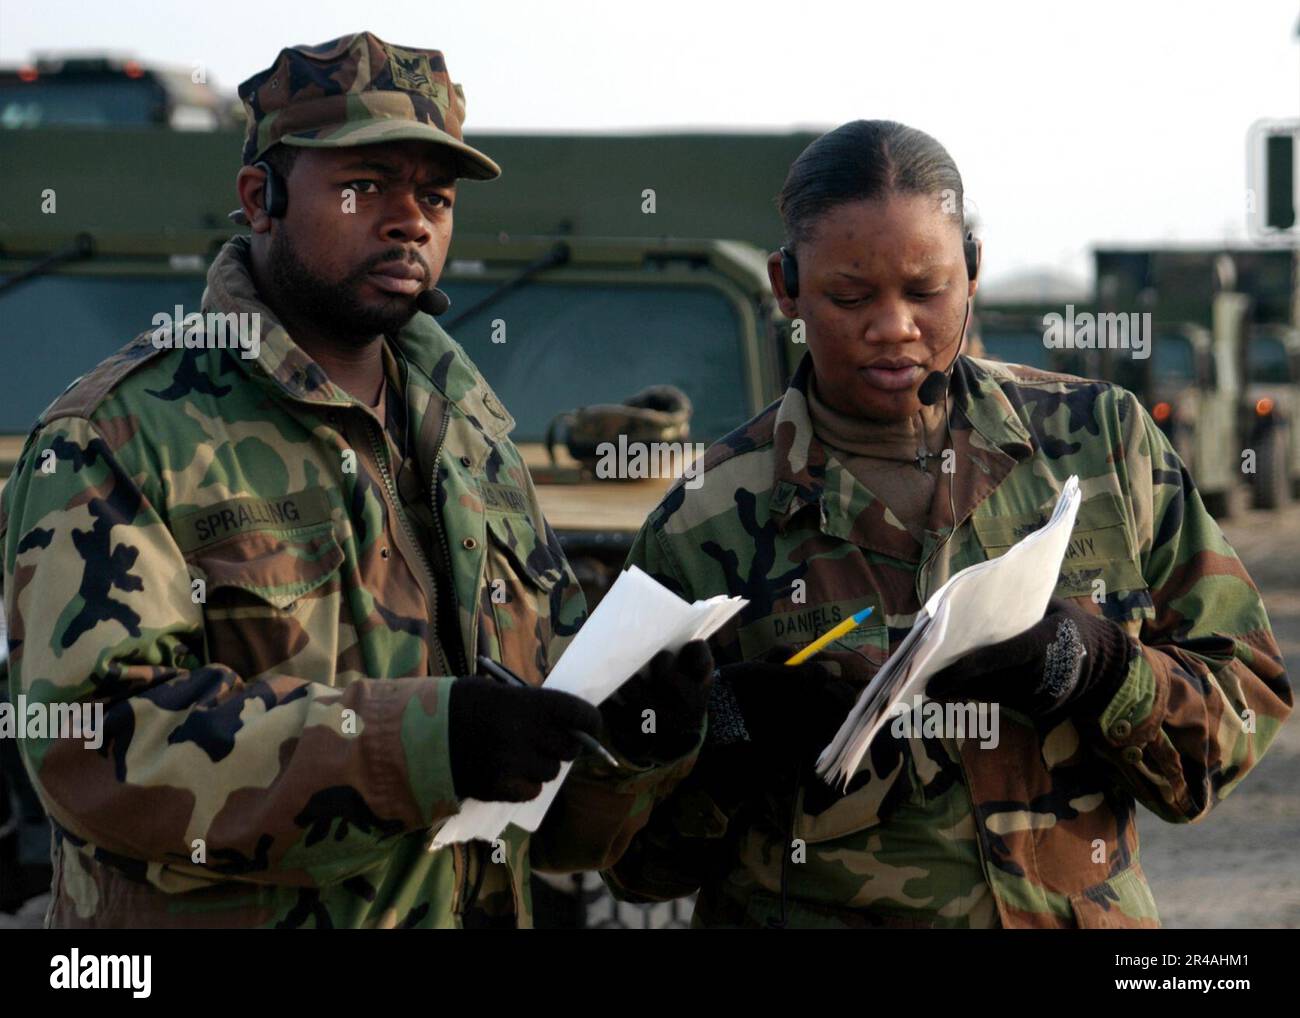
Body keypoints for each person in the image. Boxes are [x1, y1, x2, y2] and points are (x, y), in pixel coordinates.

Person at [0, 31, 711, 929]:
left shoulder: (471, 431)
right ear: (260, 199)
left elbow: (552, 822)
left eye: (436, 196)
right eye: (364, 185)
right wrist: (423, 746)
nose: (411, 218)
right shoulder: (118, 434)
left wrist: (634, 737)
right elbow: (89, 749)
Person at [604, 120, 1293, 928]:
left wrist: (1101, 670)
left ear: (972, 270)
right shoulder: (705, 520)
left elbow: (1241, 716)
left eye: (926, 291)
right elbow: (625, 863)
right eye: (850, 296)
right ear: (785, 285)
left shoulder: (1102, 444)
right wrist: (720, 739)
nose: (893, 327)